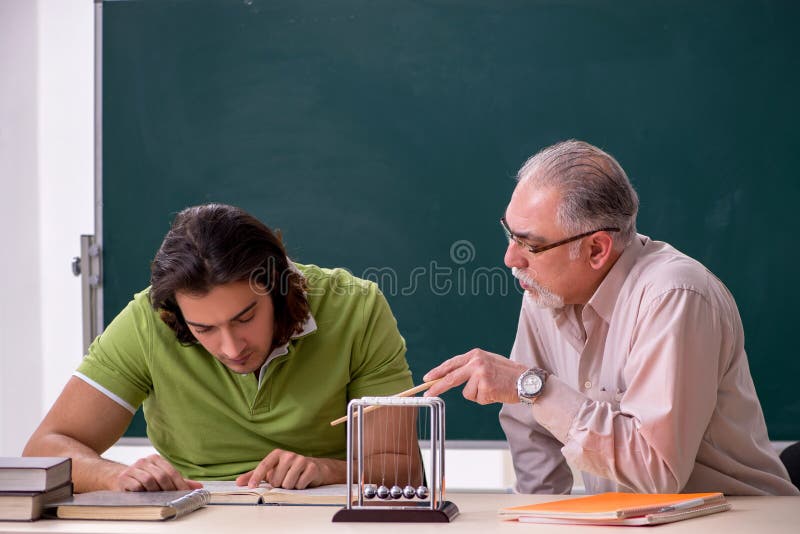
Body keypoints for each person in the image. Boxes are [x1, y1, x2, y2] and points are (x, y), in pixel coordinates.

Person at [424, 140, 798, 495]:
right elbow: (530, 431)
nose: (510, 259)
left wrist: (534, 387)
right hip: (628, 521)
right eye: (509, 234)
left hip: (733, 520)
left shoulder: (674, 295)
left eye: (531, 245)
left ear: (597, 249)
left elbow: (657, 473)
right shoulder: (543, 291)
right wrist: (535, 516)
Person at [24, 204, 418, 493]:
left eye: (245, 317)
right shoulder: (147, 320)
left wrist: (328, 470)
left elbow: (404, 470)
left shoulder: (356, 307)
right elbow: (44, 450)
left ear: (279, 289)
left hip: (323, 511)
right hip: (196, 516)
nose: (231, 348)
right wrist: (114, 475)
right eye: (203, 328)